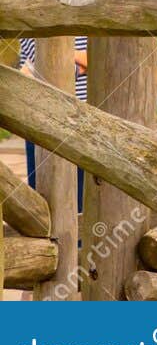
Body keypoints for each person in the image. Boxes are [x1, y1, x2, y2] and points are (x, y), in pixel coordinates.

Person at [18, 34, 88, 212]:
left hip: (83, 116)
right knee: (41, 192)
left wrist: (65, 57)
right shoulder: (33, 21)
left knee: (81, 191)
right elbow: (36, 68)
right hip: (39, 114)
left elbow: (101, 60)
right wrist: (79, 60)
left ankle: (78, 240)